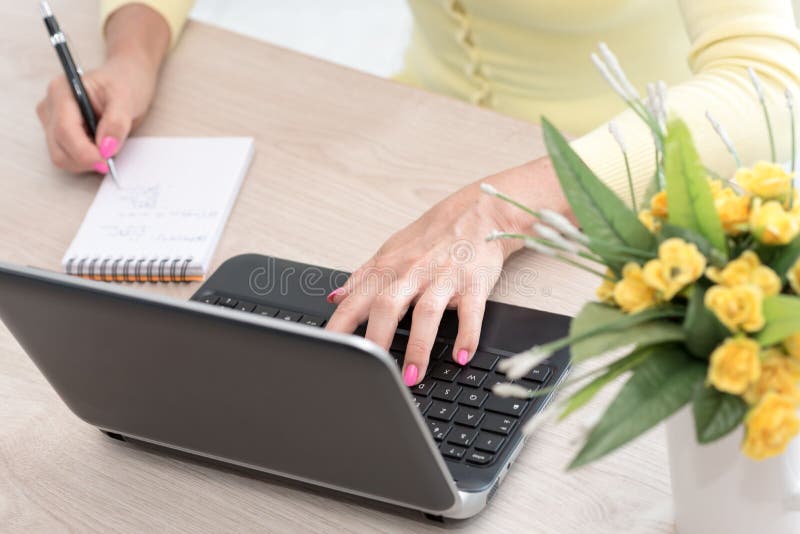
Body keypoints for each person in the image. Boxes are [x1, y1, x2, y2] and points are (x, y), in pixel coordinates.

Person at [37, 1, 800, 386]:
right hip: (420, 150)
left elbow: (773, 89)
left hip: (637, 180)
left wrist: (502, 206)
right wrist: (134, 52)